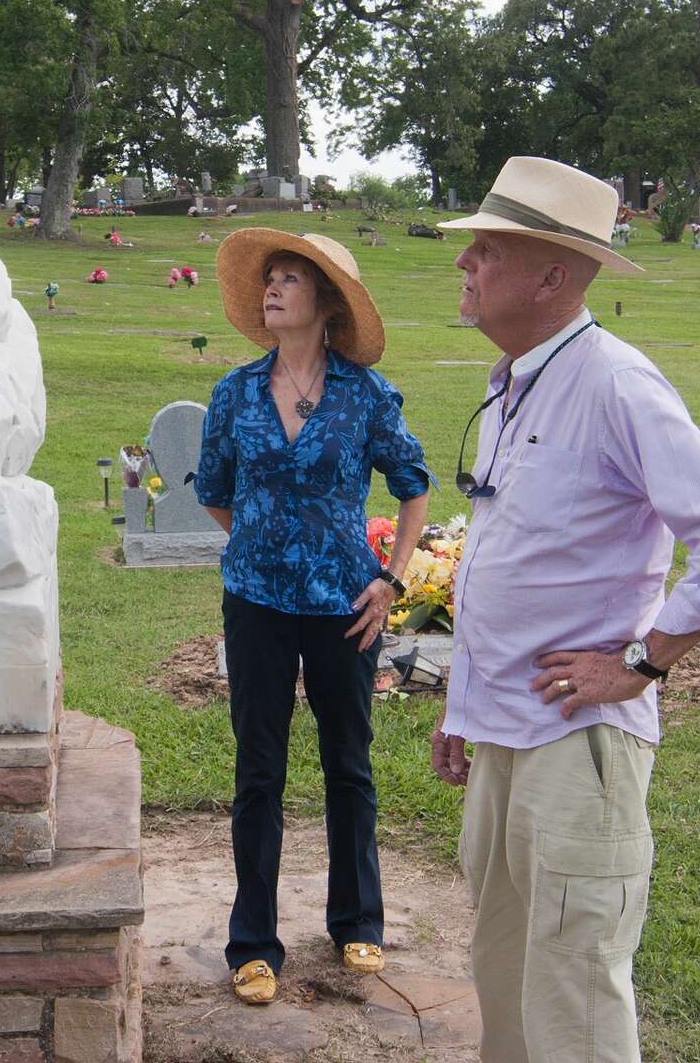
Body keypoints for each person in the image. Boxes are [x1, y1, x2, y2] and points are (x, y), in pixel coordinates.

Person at [429, 157, 700, 1062]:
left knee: (574, 985)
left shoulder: (617, 383)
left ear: (551, 275)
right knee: (503, 968)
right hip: (510, 729)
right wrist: (463, 707)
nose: (463, 268)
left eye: (486, 254)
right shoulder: (520, 381)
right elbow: (521, 558)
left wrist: (642, 663)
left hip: (577, 743)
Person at [194, 231, 432, 1007]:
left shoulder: (366, 395)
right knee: (258, 770)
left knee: (348, 764)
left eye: (290, 280)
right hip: (257, 604)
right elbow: (215, 491)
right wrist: (267, 548)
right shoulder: (235, 393)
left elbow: (413, 485)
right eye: (269, 280)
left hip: (345, 609)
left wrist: (391, 580)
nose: (273, 290)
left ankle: (357, 920)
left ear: (325, 303)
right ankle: (253, 942)